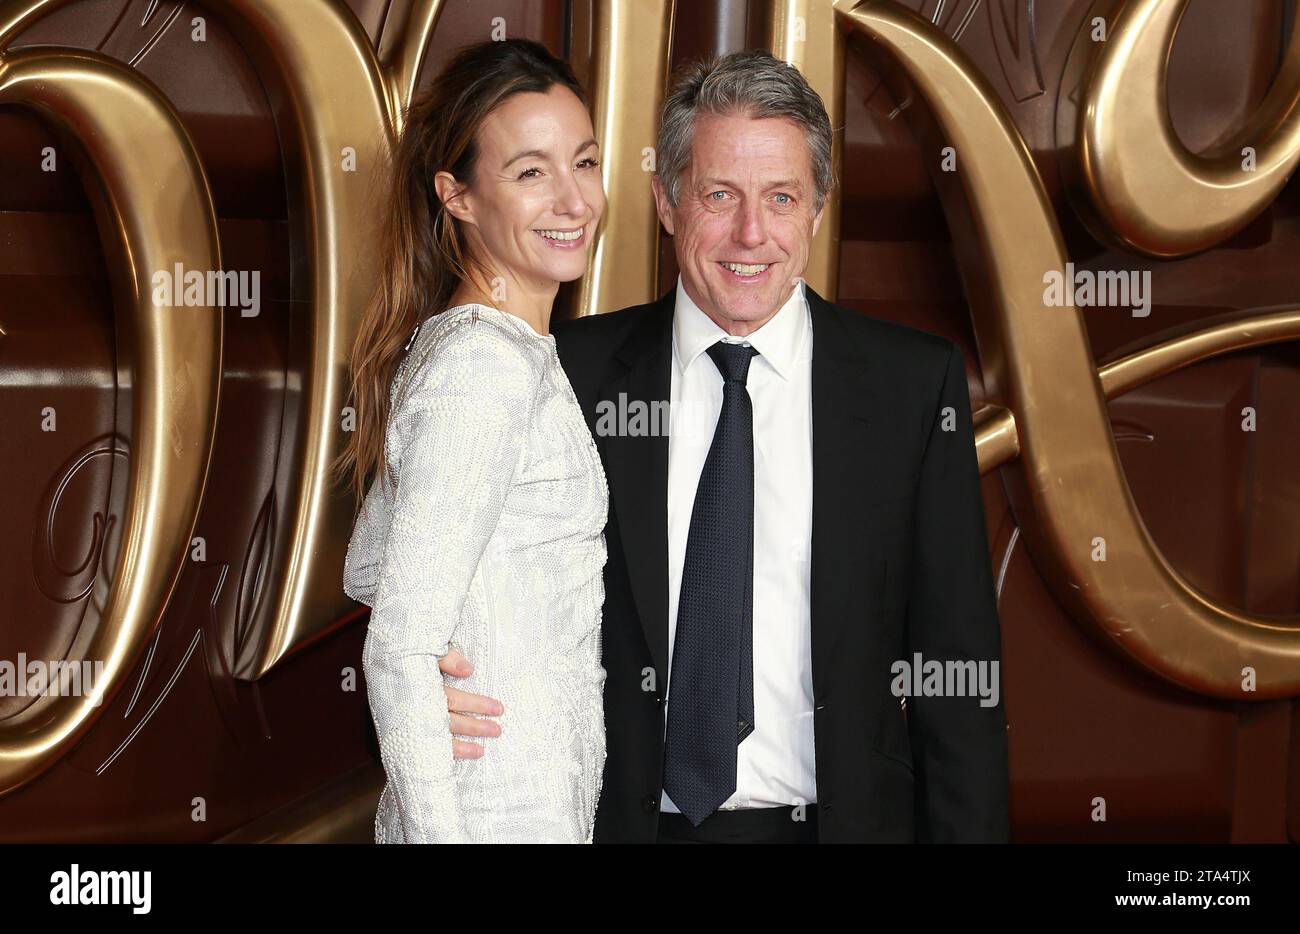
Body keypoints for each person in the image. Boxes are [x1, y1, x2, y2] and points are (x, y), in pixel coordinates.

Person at [438, 49, 1010, 843]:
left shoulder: (910, 388)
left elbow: (959, 685)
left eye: (782, 197)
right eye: (719, 195)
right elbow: (452, 597)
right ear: (667, 200)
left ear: (818, 208)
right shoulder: (569, 375)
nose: (752, 234)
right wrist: (432, 686)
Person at [336, 39, 609, 843]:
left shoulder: (490, 348)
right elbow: (396, 646)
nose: (574, 200)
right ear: (457, 197)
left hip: (528, 797)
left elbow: (369, 565)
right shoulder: (483, 366)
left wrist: (456, 652)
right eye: (530, 172)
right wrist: (420, 665)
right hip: (490, 815)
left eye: (585, 162)